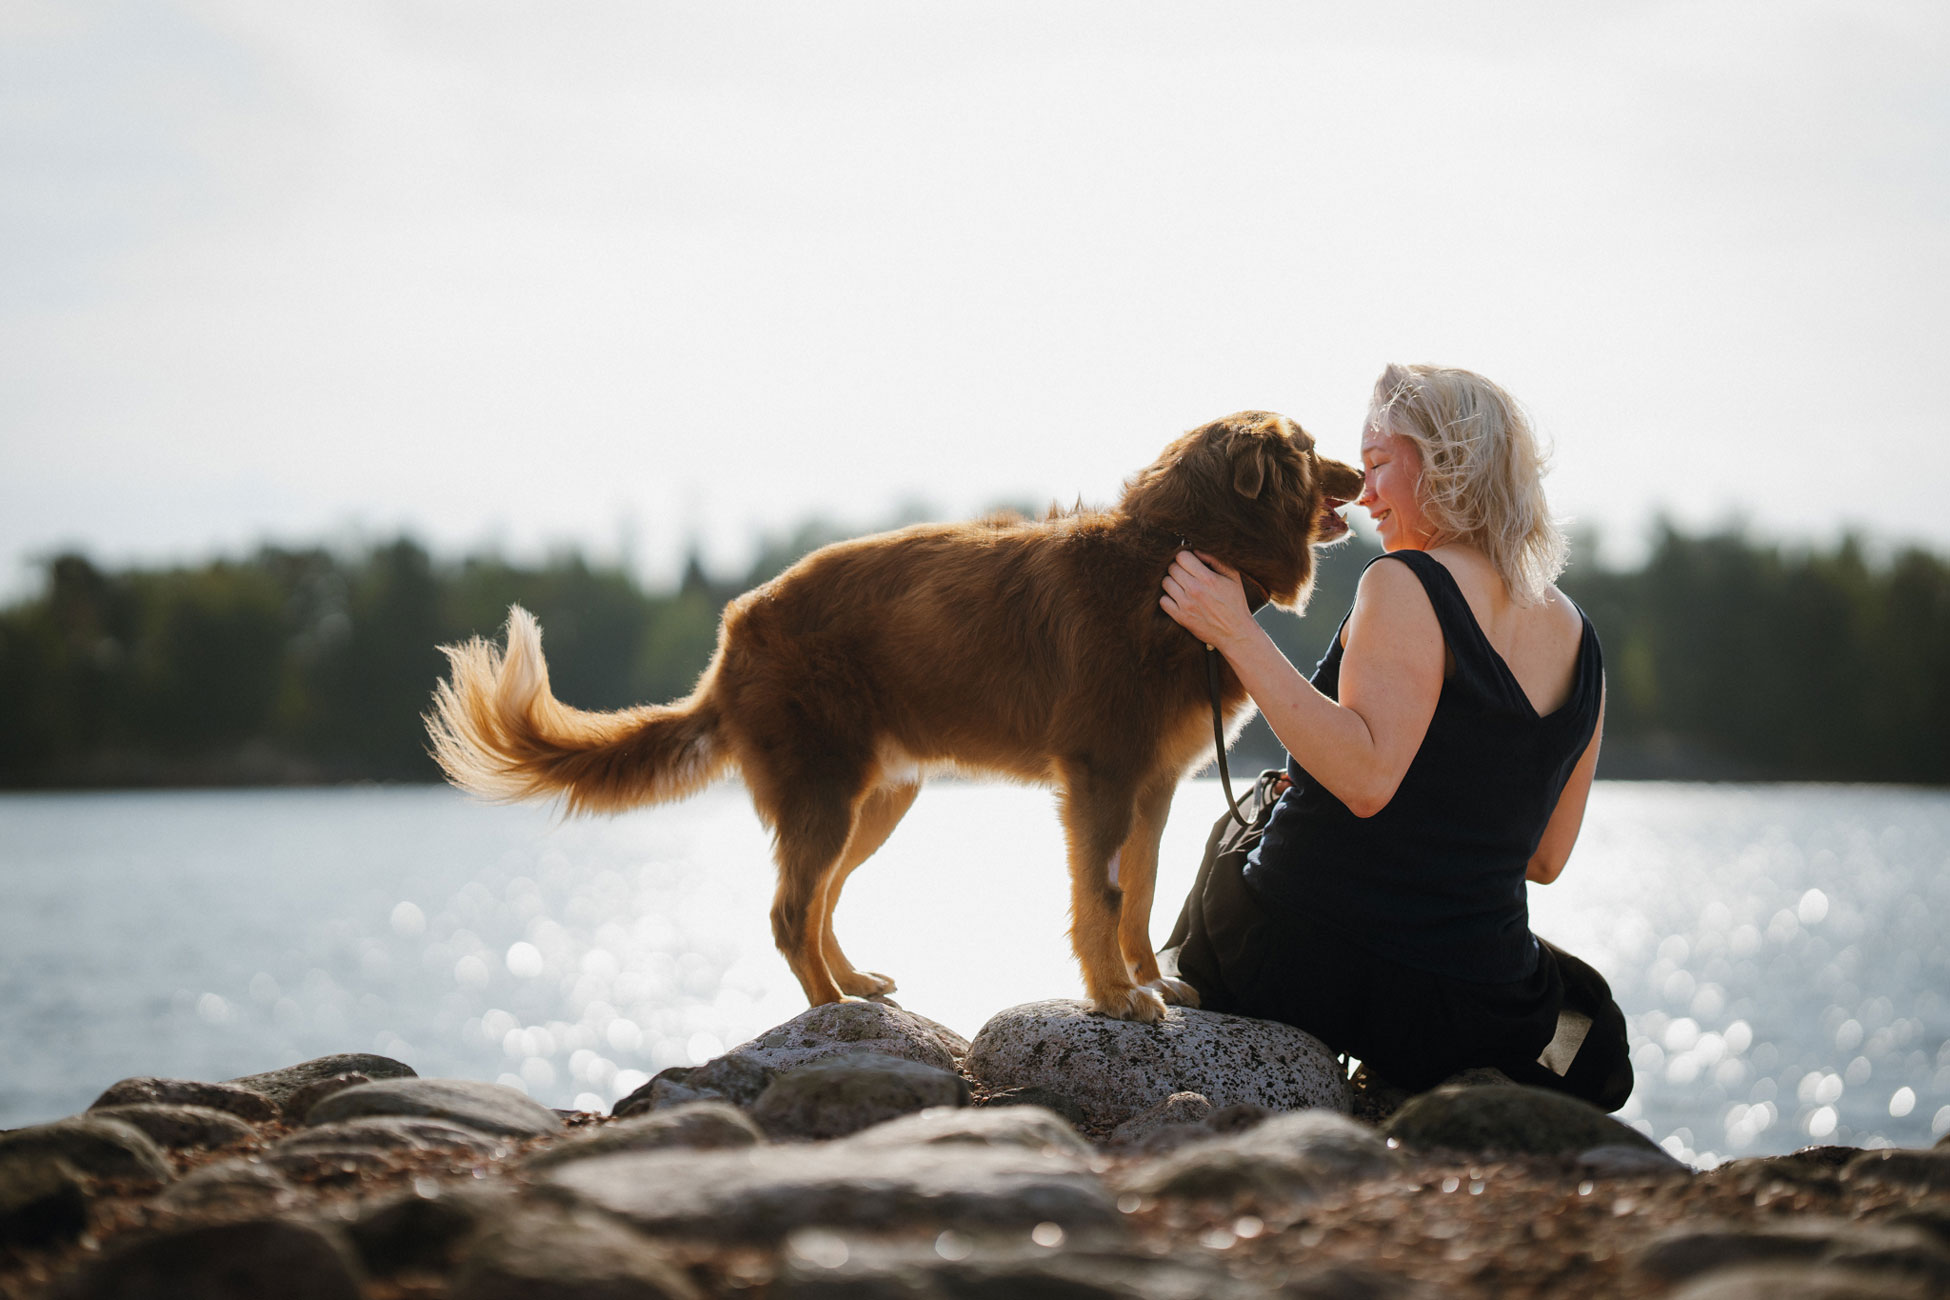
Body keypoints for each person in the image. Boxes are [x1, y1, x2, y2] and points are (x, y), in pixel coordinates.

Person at [1158, 363, 1631, 1109]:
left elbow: (1368, 779)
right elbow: (1544, 857)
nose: (1363, 493)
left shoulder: (1404, 581)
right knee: (1578, 1004)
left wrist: (1234, 631)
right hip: (1474, 1004)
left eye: (1379, 466)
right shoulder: (1581, 639)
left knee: (1241, 821)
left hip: (1309, 967)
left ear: (1448, 464)